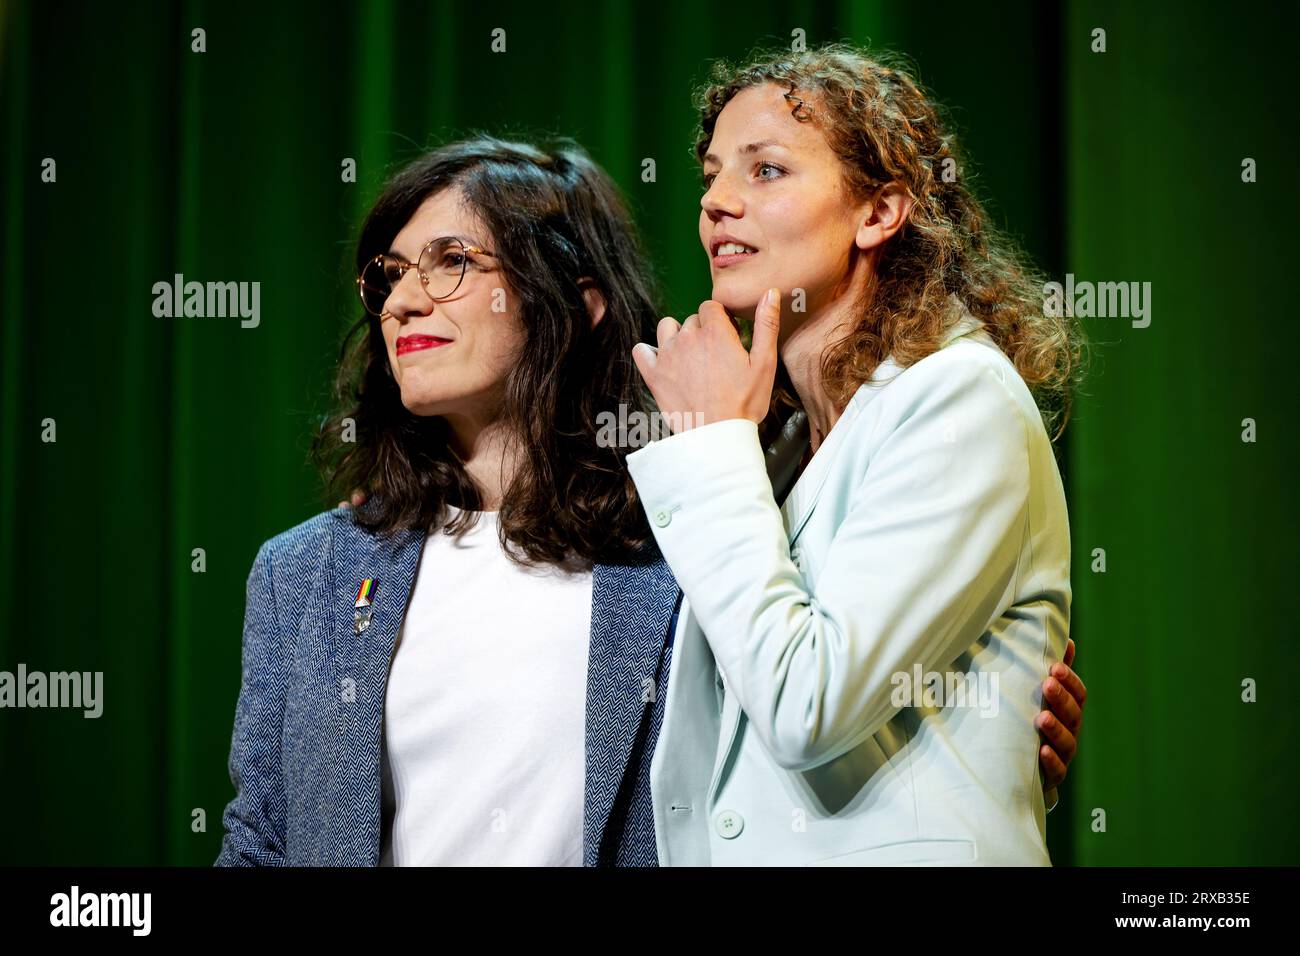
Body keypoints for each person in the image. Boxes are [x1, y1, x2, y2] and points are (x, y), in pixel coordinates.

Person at [217, 132, 1085, 868]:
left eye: (451, 262)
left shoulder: (693, 547)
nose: (405, 299)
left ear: (578, 302)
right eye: (391, 274)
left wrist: (981, 723)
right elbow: (259, 843)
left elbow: (816, 724)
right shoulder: (309, 573)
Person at [628, 43, 1085, 864]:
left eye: (765, 171)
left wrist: (706, 446)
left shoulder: (959, 401)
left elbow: (810, 706)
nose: (717, 203)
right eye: (710, 174)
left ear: (879, 213)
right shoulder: (782, 442)